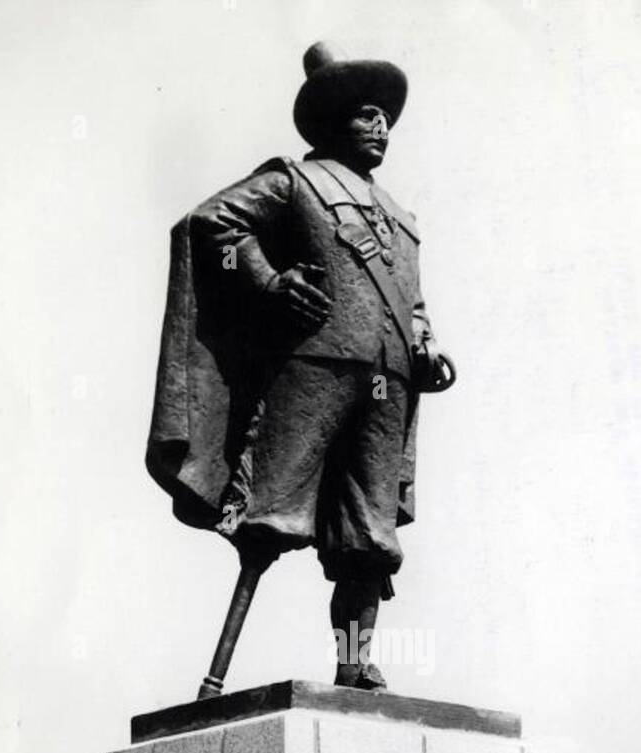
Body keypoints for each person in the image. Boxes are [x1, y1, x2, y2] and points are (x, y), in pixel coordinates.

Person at [147, 41, 454, 698]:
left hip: (388, 380)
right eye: (367, 116)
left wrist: (424, 343)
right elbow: (212, 223)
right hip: (313, 368)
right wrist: (268, 279)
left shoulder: (402, 218)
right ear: (334, 119)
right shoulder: (294, 180)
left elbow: (413, 300)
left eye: (385, 120)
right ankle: (215, 677)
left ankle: (354, 663)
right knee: (267, 513)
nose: (380, 129)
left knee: (369, 531)